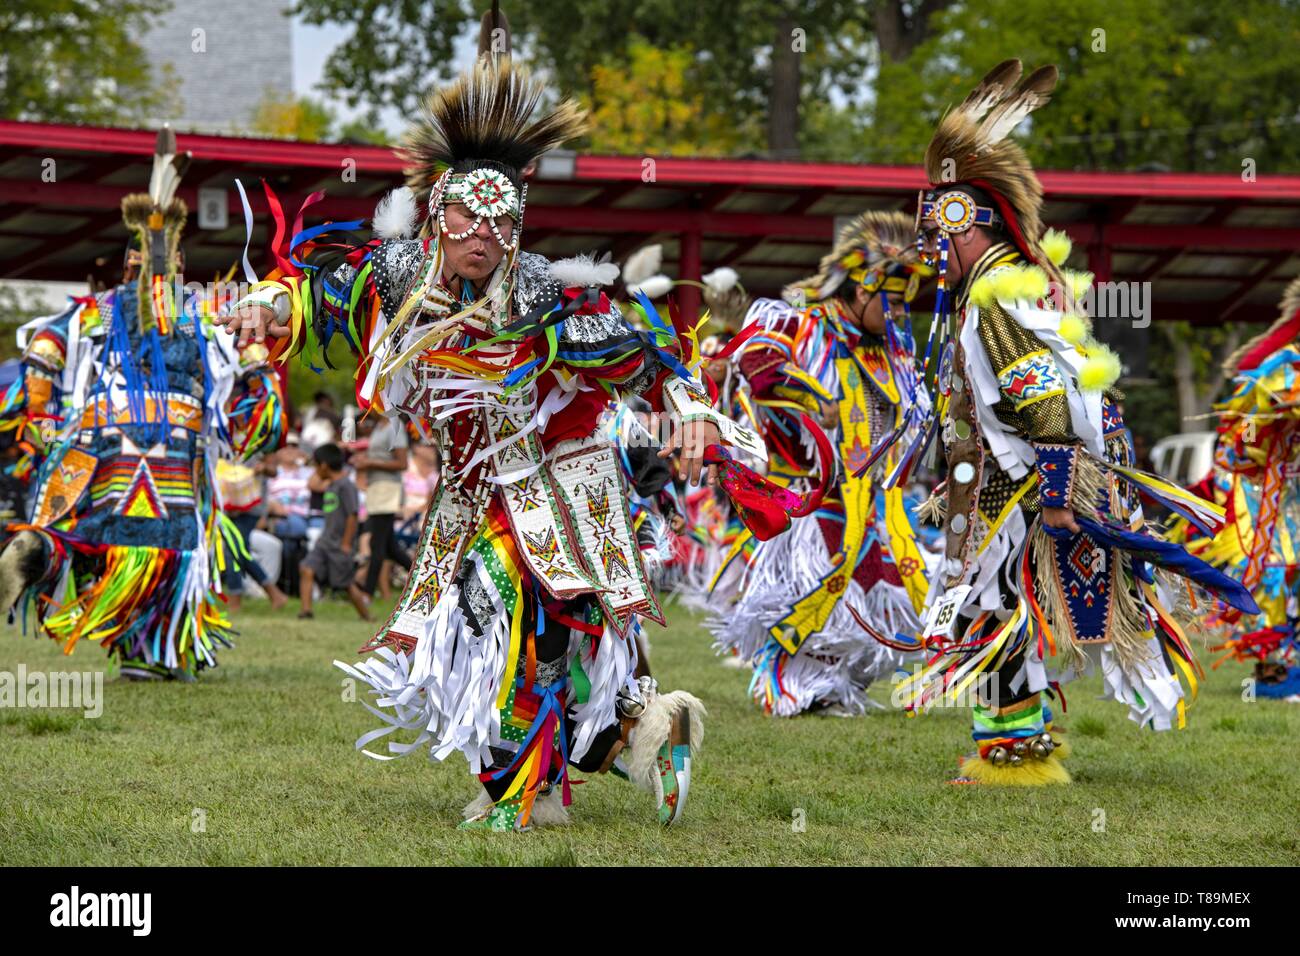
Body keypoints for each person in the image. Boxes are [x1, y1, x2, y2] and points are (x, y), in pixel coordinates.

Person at [222, 20, 769, 830]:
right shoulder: (400, 272)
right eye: (466, 220)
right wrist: (272, 304)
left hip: (560, 484)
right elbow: (321, 290)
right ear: (436, 214)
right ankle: (639, 732)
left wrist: (686, 403)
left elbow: (639, 346)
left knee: (497, 618)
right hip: (473, 490)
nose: (481, 237)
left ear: (516, 227)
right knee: (472, 636)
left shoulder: (544, 292)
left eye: (498, 223)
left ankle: (522, 791)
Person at [898, 60, 1256, 783]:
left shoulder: (997, 297)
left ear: (965, 220)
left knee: (988, 612)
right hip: (1016, 482)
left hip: (1027, 487)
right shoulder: (1010, 285)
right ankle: (1019, 746)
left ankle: (1014, 757)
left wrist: (1058, 495)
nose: (927, 248)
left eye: (935, 227)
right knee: (995, 609)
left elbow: (1043, 401)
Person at [0, 127, 283, 681]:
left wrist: (39, 428)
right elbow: (258, 416)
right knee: (164, 554)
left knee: (84, 538)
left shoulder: (90, 313)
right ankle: (148, 656)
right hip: (172, 463)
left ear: (126, 267)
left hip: (98, 452)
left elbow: (41, 353)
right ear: (175, 266)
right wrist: (256, 363)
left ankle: (37, 552)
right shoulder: (204, 316)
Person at [711, 211, 933, 716]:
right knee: (820, 587)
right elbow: (758, 361)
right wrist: (809, 394)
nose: (899, 313)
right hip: (811, 495)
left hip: (874, 501)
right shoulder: (801, 322)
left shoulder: (893, 349)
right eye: (892, 302)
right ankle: (793, 686)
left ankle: (835, 685)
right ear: (860, 291)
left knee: (881, 593)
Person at [1171, 276, 1300, 701]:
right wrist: (1256, 438)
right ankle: (1274, 672)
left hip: (1288, 488)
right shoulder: (1275, 370)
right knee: (1275, 572)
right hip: (1262, 490)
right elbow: (1238, 432)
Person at [298, 442, 370, 621]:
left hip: (340, 543)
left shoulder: (346, 485)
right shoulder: (330, 485)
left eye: (316, 465)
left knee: (345, 583)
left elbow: (352, 515)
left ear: (323, 465)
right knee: (307, 568)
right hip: (325, 541)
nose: (315, 470)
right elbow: (313, 484)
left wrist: (346, 543)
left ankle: (366, 616)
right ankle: (306, 612)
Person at [352, 413, 411, 600]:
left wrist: (370, 462)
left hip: (388, 489)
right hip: (377, 488)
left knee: (376, 544)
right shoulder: (379, 427)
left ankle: (367, 593)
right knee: (390, 546)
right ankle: (418, 575)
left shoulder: (395, 427)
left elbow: (402, 463)